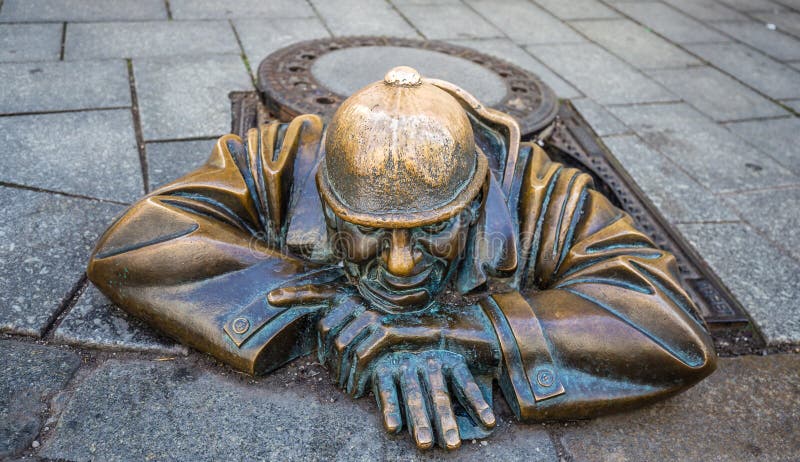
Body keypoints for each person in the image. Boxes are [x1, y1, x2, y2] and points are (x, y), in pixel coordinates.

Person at [87, 66, 716, 450]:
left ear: (475, 201)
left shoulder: (543, 192)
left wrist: (466, 331)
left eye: (433, 230)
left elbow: (673, 329)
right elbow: (135, 243)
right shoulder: (287, 157)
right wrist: (319, 303)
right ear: (325, 202)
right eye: (364, 232)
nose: (399, 266)